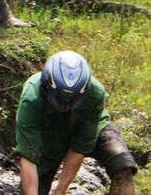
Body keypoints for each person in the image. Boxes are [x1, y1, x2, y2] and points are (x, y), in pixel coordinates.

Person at [15, 51, 137, 195]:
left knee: (122, 165)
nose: (64, 105)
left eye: (71, 99)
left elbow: (79, 147)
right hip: (48, 136)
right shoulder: (32, 97)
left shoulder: (95, 93)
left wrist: (60, 190)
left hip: (89, 125)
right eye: (60, 98)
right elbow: (29, 156)